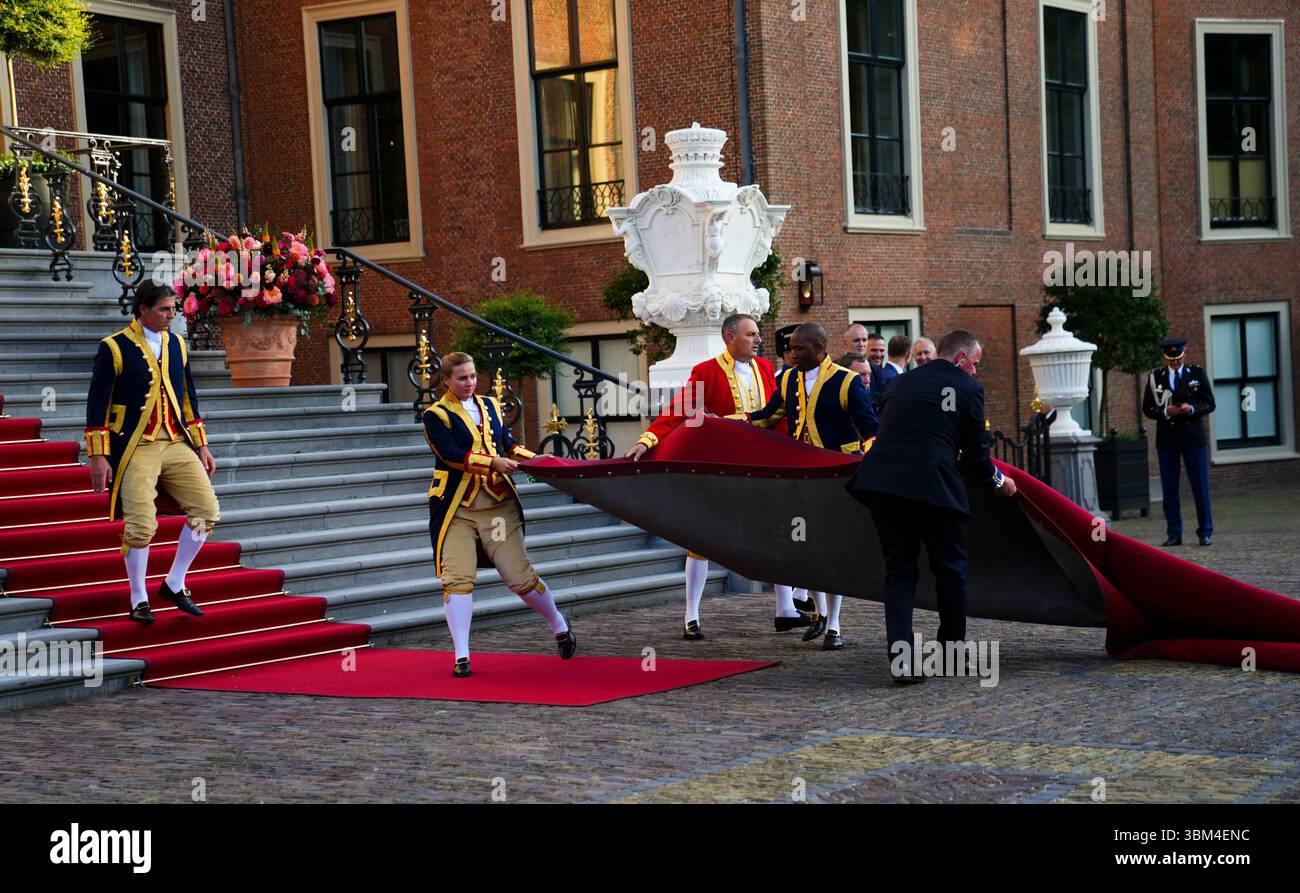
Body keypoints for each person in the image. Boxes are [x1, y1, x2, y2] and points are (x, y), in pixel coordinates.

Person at [847, 329, 1017, 683]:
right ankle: (950, 654)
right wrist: (1001, 483)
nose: (976, 373)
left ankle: (903, 663)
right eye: (976, 365)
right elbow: (976, 458)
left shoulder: (901, 383)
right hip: (934, 488)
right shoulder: (968, 389)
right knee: (951, 571)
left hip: (884, 485)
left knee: (899, 574)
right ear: (961, 359)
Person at [626, 314, 812, 638]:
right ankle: (691, 616)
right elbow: (677, 411)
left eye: (757, 334)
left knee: (779, 533)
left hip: (764, 466)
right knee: (701, 540)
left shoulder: (766, 369)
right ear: (730, 337)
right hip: (722, 467)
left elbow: (776, 415)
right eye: (751, 334)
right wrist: (647, 440)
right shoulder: (707, 372)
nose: (758, 340)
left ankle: (785, 609)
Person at [423, 352, 576, 677]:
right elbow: (451, 455)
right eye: (462, 378)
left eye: (473, 376)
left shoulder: (491, 405)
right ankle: (461, 655)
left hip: (497, 505)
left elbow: (508, 443)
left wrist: (536, 460)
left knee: (519, 577)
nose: (469, 383)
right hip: (456, 507)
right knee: (457, 579)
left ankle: (558, 623)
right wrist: (493, 462)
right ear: (446, 381)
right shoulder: (435, 415)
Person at [85, 281, 219, 624]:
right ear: (142, 309)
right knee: (142, 525)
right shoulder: (114, 347)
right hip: (136, 444)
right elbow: (97, 404)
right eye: (163, 309)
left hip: (175, 441)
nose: (170, 315)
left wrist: (202, 445)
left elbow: (189, 398)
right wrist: (99, 456)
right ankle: (138, 596)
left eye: (173, 309)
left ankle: (174, 583)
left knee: (206, 511)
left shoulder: (178, 345)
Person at [743, 322, 878, 650]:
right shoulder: (788, 378)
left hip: (836, 478)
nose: (792, 354)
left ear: (819, 349)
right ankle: (819, 614)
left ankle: (834, 625)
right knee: (808, 550)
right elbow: (768, 416)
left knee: (831, 551)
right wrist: (727, 421)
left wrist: (871, 467)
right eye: (791, 349)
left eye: (799, 349)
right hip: (801, 477)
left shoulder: (845, 381)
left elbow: (870, 431)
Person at [1142, 337, 1216, 547]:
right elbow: (1147, 407)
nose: (1175, 363)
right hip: (1168, 439)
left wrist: (1191, 409)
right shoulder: (1156, 377)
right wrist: (1164, 411)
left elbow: (1209, 403)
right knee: (1170, 488)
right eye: (1171, 359)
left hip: (1193, 437)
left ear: (1183, 355)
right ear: (1166, 358)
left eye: (1178, 358)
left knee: (1199, 486)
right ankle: (1174, 533)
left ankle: (1205, 531)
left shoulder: (1197, 373)